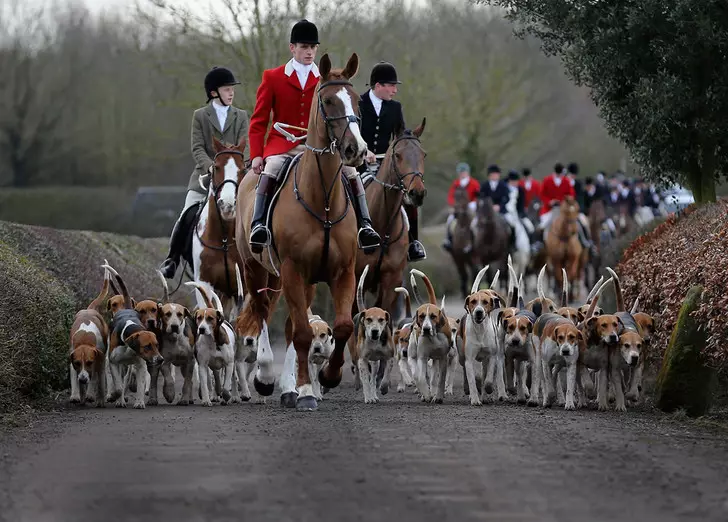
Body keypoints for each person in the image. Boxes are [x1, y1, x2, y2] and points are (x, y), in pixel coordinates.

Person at [247, 19, 380, 254]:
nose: (309, 52)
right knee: (272, 168)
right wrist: (257, 155)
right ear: (292, 48)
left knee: (350, 172)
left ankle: (365, 227)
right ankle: (259, 226)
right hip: (283, 145)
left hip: (321, 147)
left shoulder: (327, 79)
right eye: (304, 47)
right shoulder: (273, 77)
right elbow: (258, 121)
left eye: (312, 47)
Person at [159, 66, 248, 279]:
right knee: (186, 213)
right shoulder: (200, 116)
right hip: (205, 176)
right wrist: (210, 166)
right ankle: (172, 259)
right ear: (213, 92)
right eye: (227, 89)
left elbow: (248, 145)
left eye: (232, 89)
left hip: (234, 178)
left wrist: (238, 167)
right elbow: (197, 147)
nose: (231, 93)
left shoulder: (241, 116)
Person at [355, 61, 425, 261]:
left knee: (408, 192)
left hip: (385, 165)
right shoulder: (357, 103)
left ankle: (413, 242)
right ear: (378, 86)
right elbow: (349, 133)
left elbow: (400, 136)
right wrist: (363, 149)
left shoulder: (395, 108)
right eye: (391, 86)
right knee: (344, 192)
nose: (395, 90)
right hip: (357, 163)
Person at [442, 162, 480, 252]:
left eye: (464, 172)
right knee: (449, 221)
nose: (462, 174)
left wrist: (473, 203)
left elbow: (478, 196)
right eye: (461, 172)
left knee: (474, 223)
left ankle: (474, 242)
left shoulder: (474, 183)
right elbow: (450, 196)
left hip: (471, 207)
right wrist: (453, 205)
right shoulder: (456, 184)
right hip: (458, 208)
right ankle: (448, 240)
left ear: (468, 173)